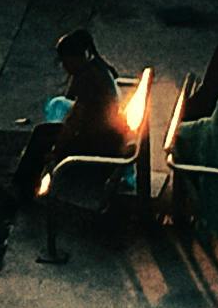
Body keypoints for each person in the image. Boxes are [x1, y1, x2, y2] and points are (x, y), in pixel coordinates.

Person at [13, 29, 130, 202]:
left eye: (64, 61)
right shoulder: (96, 66)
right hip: (104, 134)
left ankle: (23, 191)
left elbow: (74, 122)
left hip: (97, 141)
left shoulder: (87, 78)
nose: (64, 67)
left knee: (43, 140)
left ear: (74, 58)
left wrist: (57, 151)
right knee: (42, 132)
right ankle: (24, 186)